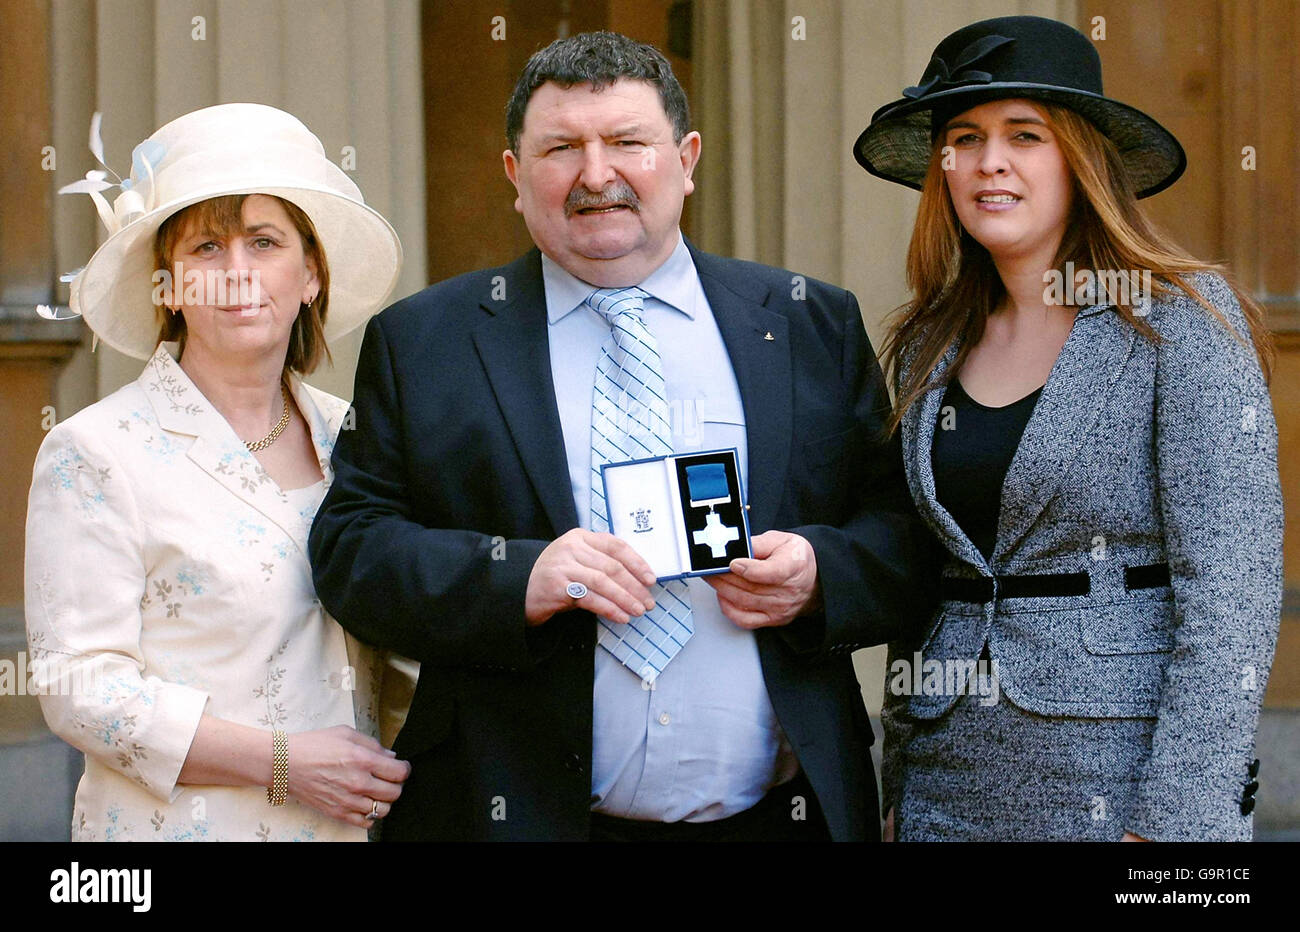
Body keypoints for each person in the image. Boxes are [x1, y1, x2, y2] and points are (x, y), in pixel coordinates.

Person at [309, 31, 933, 841]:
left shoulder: (809, 321)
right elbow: (352, 552)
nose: (596, 175)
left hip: (782, 817)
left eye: (627, 143)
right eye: (561, 147)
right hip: (517, 817)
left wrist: (819, 575)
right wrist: (518, 579)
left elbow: (902, 536)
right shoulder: (425, 341)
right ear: (514, 174)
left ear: (686, 158)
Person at [853, 15, 1282, 841]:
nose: (991, 163)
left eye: (1026, 135)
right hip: (949, 783)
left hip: (1119, 787)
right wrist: (896, 786)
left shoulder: (1179, 321)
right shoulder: (927, 341)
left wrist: (1177, 826)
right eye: (966, 138)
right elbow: (933, 588)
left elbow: (1233, 598)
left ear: (1080, 158)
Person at [25, 103, 411, 841]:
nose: (237, 273)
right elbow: (80, 688)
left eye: (264, 242)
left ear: (310, 276)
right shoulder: (97, 450)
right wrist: (283, 762)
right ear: (169, 287)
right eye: (206, 248)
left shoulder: (357, 435)